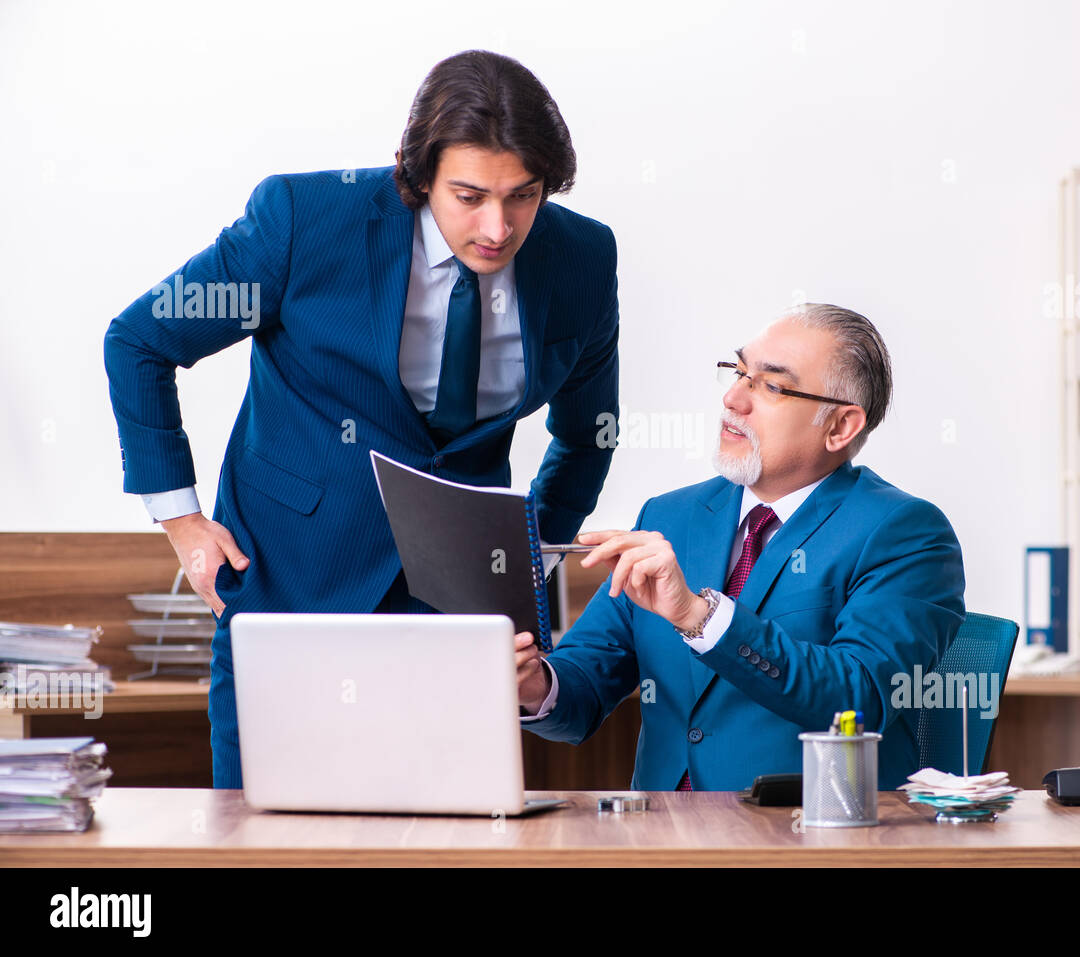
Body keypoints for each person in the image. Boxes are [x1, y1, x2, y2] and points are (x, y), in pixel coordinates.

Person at [104, 50, 620, 788]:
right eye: (469, 195)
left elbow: (587, 433)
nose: (498, 227)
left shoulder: (581, 259)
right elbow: (139, 340)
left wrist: (528, 553)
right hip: (293, 594)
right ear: (416, 174)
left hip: (458, 629)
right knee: (267, 843)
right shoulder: (306, 222)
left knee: (449, 840)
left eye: (524, 196)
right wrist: (183, 524)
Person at [515, 304, 964, 791]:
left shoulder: (904, 532)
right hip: (662, 837)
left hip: (805, 837)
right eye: (739, 372)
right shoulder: (669, 518)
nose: (733, 399)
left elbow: (859, 699)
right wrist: (534, 684)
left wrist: (699, 617)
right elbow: (584, 687)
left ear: (839, 427)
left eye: (771, 386)